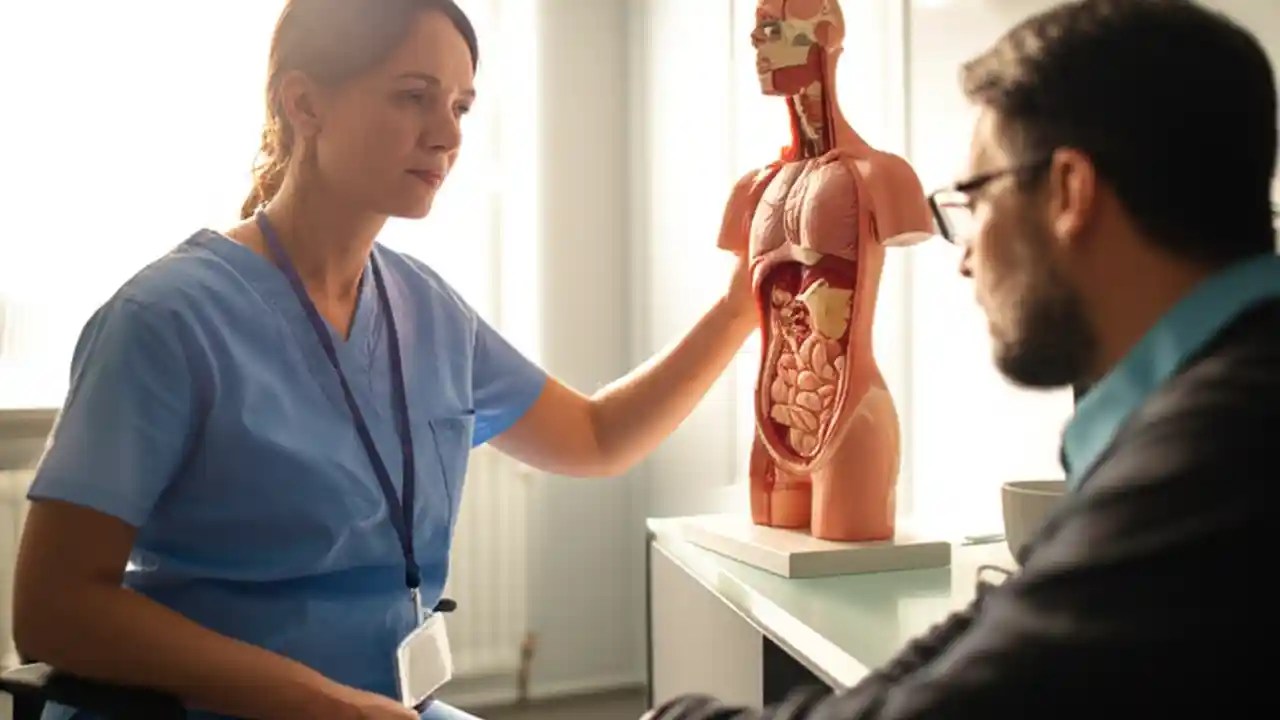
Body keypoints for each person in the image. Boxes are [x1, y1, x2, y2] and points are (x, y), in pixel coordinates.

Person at [11, 1, 756, 719]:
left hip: (383, 705)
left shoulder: (427, 311)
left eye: (461, 107)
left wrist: (740, 307)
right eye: (413, 97)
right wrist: (318, 703)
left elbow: (596, 438)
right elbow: (53, 610)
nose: (446, 136)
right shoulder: (166, 321)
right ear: (304, 103)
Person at [644, 0, 1277, 717]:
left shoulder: (1216, 455)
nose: (966, 257)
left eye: (973, 201)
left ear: (1070, 192)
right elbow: (1015, 611)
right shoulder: (1205, 408)